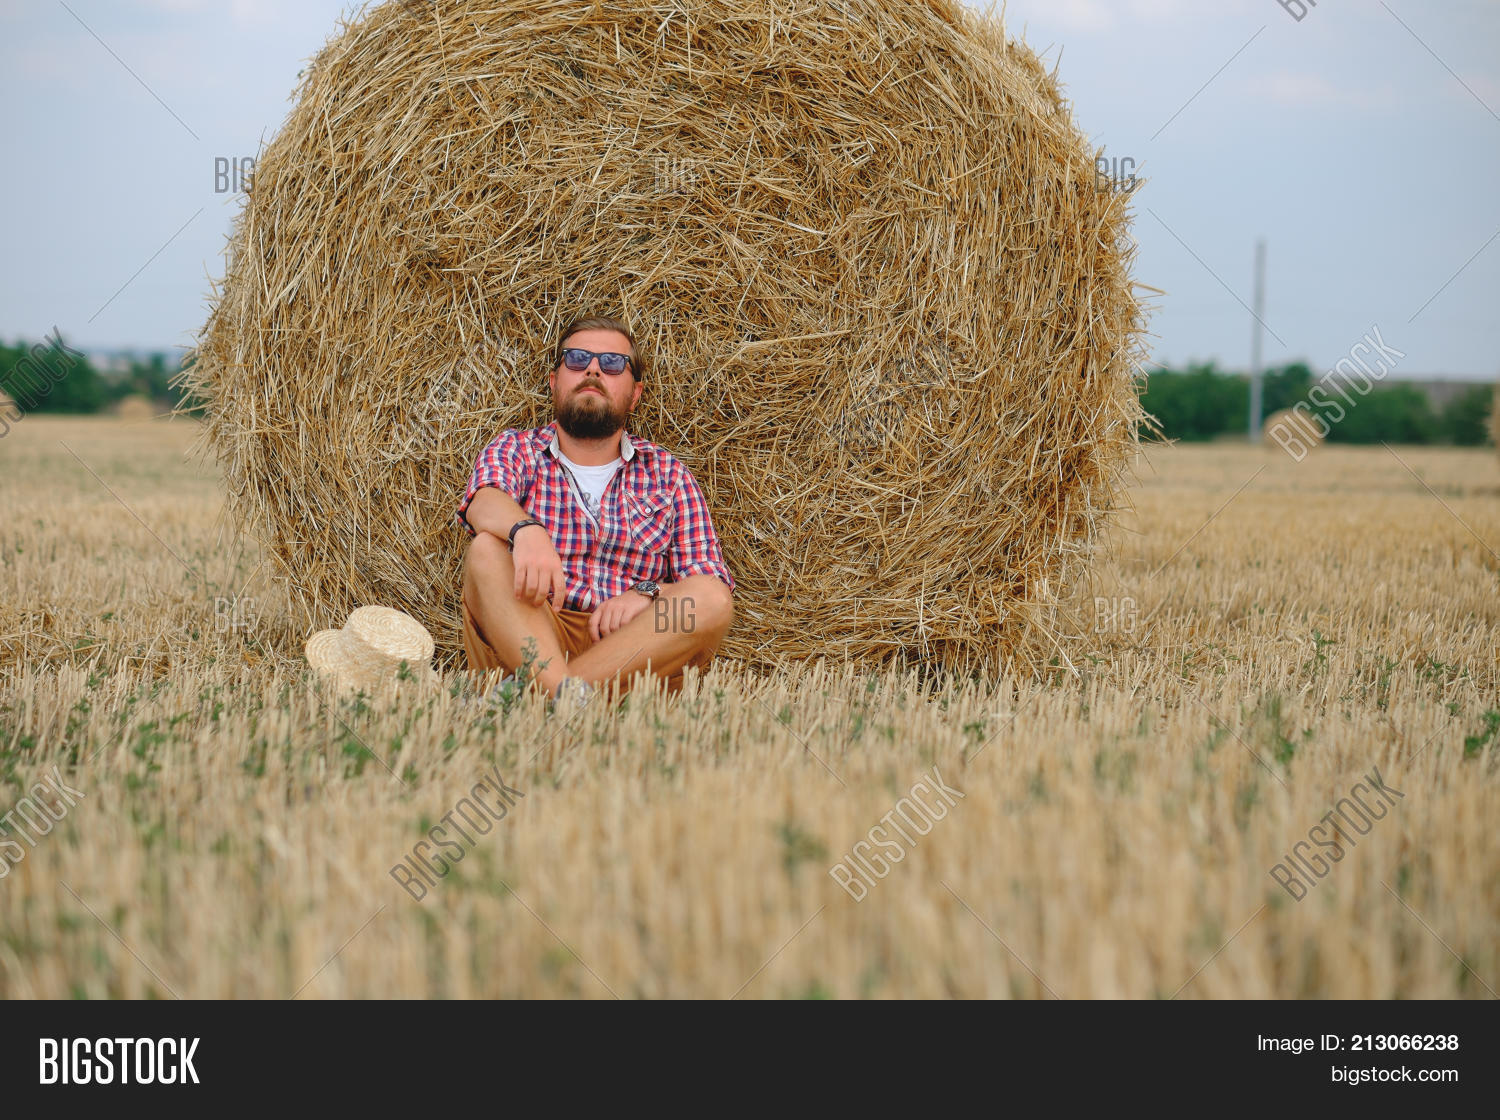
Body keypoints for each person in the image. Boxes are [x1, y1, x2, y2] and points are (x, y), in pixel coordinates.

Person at [455, 315, 735, 707]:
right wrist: (526, 531)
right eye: (577, 359)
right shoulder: (518, 449)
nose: (592, 369)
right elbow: (481, 501)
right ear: (555, 381)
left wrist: (648, 593)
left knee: (710, 599)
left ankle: (541, 698)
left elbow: (708, 583)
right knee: (486, 548)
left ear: (635, 394)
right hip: (530, 629)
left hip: (632, 647)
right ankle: (567, 695)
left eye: (612, 364)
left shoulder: (668, 475)